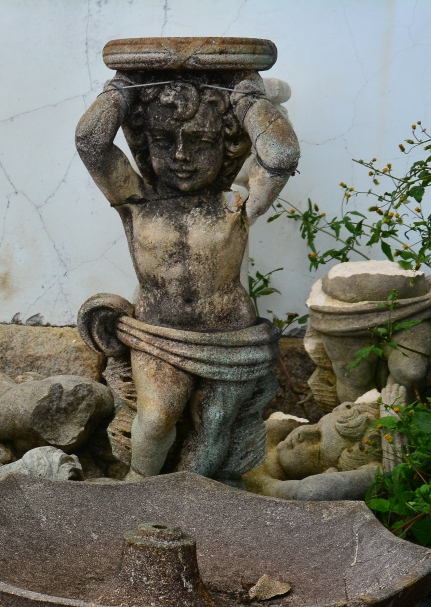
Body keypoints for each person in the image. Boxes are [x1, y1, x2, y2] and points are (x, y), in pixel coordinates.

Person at [75, 71, 299, 480]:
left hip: (231, 337)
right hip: (158, 333)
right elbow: (90, 142)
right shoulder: (134, 200)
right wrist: (124, 89)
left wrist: (245, 99)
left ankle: (196, 497)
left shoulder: (236, 204)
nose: (181, 155)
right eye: (164, 141)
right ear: (145, 144)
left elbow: (280, 155)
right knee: (157, 417)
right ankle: (138, 489)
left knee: (215, 422)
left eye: (200, 142)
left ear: (227, 144)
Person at [243, 403, 383, 500]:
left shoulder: (270, 489)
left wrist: (379, 473)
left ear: (328, 474)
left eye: (317, 441)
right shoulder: (272, 428)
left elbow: (311, 492)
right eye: (316, 424)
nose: (303, 432)